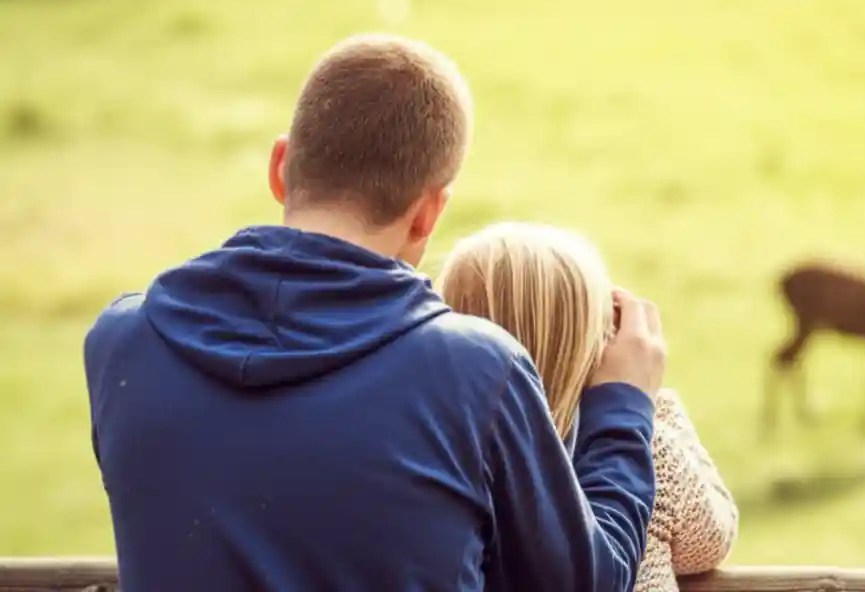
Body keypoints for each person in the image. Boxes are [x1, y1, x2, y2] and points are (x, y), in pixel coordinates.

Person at [82, 34, 667, 592]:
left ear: (281, 167)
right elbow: (586, 582)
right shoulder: (478, 374)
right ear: (427, 214)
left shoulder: (122, 343)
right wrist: (621, 404)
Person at [438, 222, 738, 592]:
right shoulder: (644, 452)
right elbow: (712, 540)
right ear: (597, 340)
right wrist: (648, 400)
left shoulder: (446, 454)